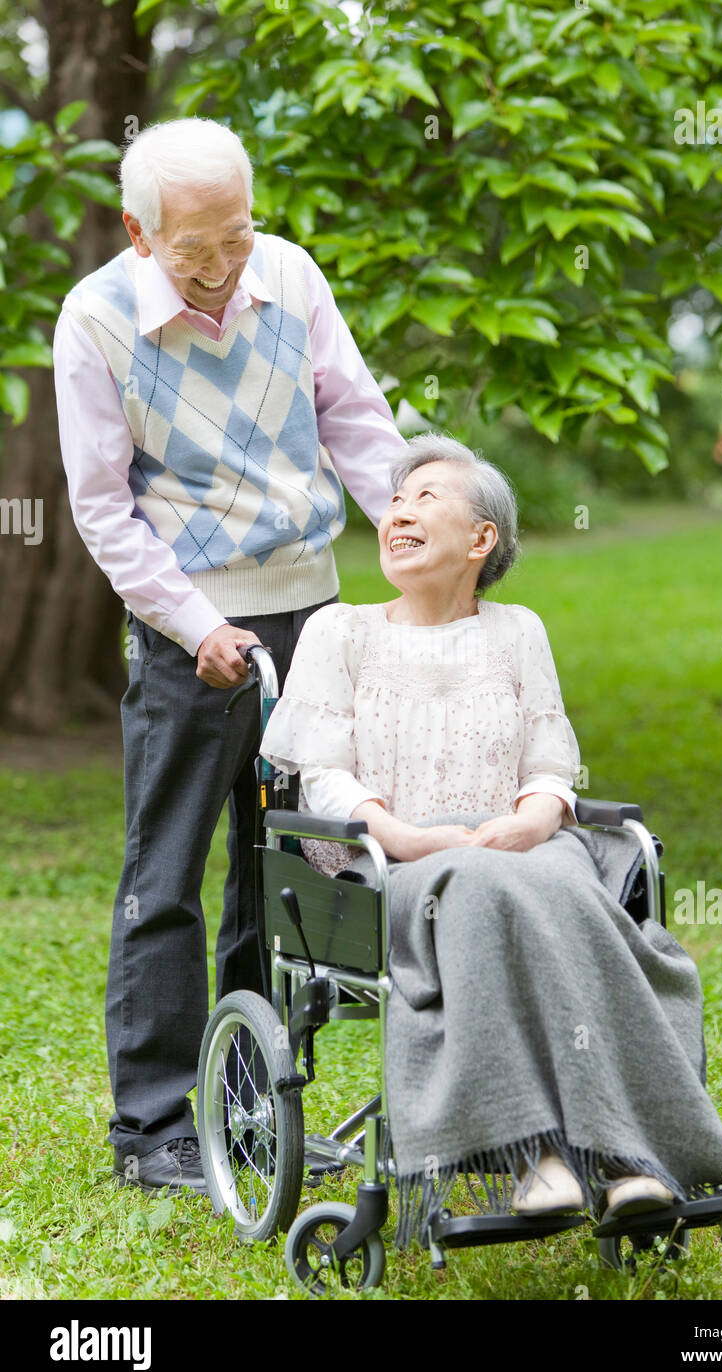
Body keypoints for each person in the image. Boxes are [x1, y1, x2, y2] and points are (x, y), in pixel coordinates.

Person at [259, 432, 722, 1244]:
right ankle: (540, 1157)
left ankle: (627, 1160)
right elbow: (326, 774)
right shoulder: (340, 633)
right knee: (484, 889)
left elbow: (550, 766)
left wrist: (533, 817)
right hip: (389, 861)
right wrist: (413, 840)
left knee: (561, 881)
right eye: (394, 501)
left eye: (426, 498)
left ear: (481, 538)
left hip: (521, 844)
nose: (399, 513)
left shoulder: (518, 632)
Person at [53, 117, 405, 1195]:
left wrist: (411, 536)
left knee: (283, 866)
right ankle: (153, 1128)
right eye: (191, 249)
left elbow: (352, 420)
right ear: (135, 228)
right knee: (165, 875)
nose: (216, 269)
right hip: (187, 632)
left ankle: (253, 1095)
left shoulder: (291, 279)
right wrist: (193, 621)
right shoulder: (96, 320)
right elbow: (103, 509)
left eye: (234, 239)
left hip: (315, 613)